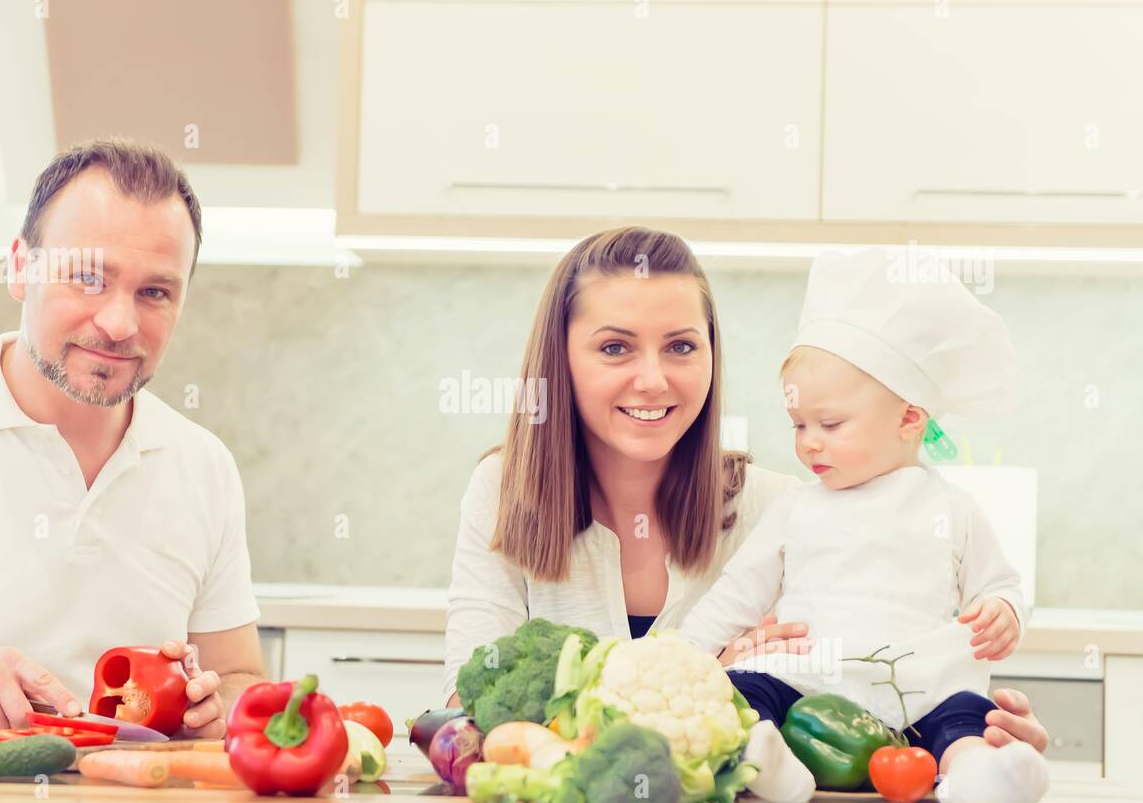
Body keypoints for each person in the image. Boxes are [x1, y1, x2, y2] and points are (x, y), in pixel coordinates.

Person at [443, 227, 1050, 765]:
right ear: (562, 359)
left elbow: (868, 679)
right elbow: (465, 710)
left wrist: (967, 734)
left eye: (681, 346)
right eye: (614, 347)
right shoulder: (504, 493)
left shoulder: (793, 507)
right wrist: (708, 678)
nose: (653, 379)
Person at [0, 139, 264, 741]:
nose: (120, 324)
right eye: (88, 277)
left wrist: (214, 701)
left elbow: (240, 675)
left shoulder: (204, 466)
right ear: (20, 267)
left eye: (155, 292)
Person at [681, 248, 1049, 803]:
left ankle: (977, 775)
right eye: (798, 424)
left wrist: (1005, 613)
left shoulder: (954, 507)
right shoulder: (795, 507)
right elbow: (736, 595)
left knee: (966, 717)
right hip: (808, 682)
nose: (808, 442)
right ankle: (769, 760)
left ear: (909, 418)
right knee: (743, 691)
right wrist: (680, 658)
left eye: (830, 424)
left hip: (919, 687)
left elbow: (1000, 587)